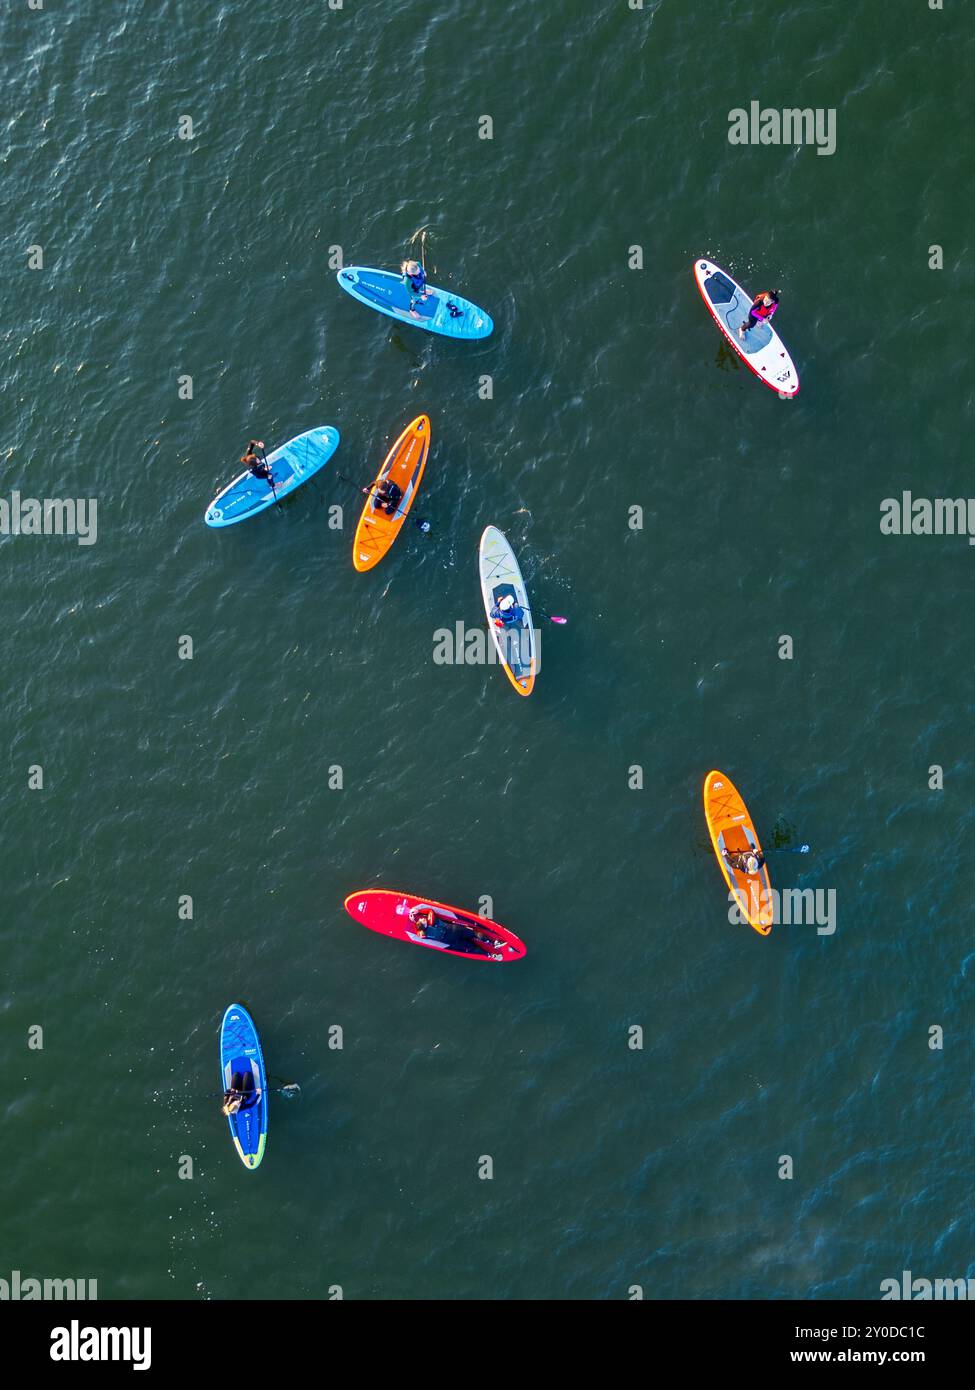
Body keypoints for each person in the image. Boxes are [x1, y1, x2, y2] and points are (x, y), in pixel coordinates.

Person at [408, 905, 504, 955]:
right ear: (426, 924)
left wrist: (413, 922)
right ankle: (493, 942)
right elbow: (430, 911)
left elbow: (418, 931)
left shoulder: (423, 934)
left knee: (470, 947)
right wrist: (418, 912)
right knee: (474, 934)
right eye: (422, 920)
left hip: (450, 940)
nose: (422, 918)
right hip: (454, 930)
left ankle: (489, 954)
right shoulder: (431, 921)